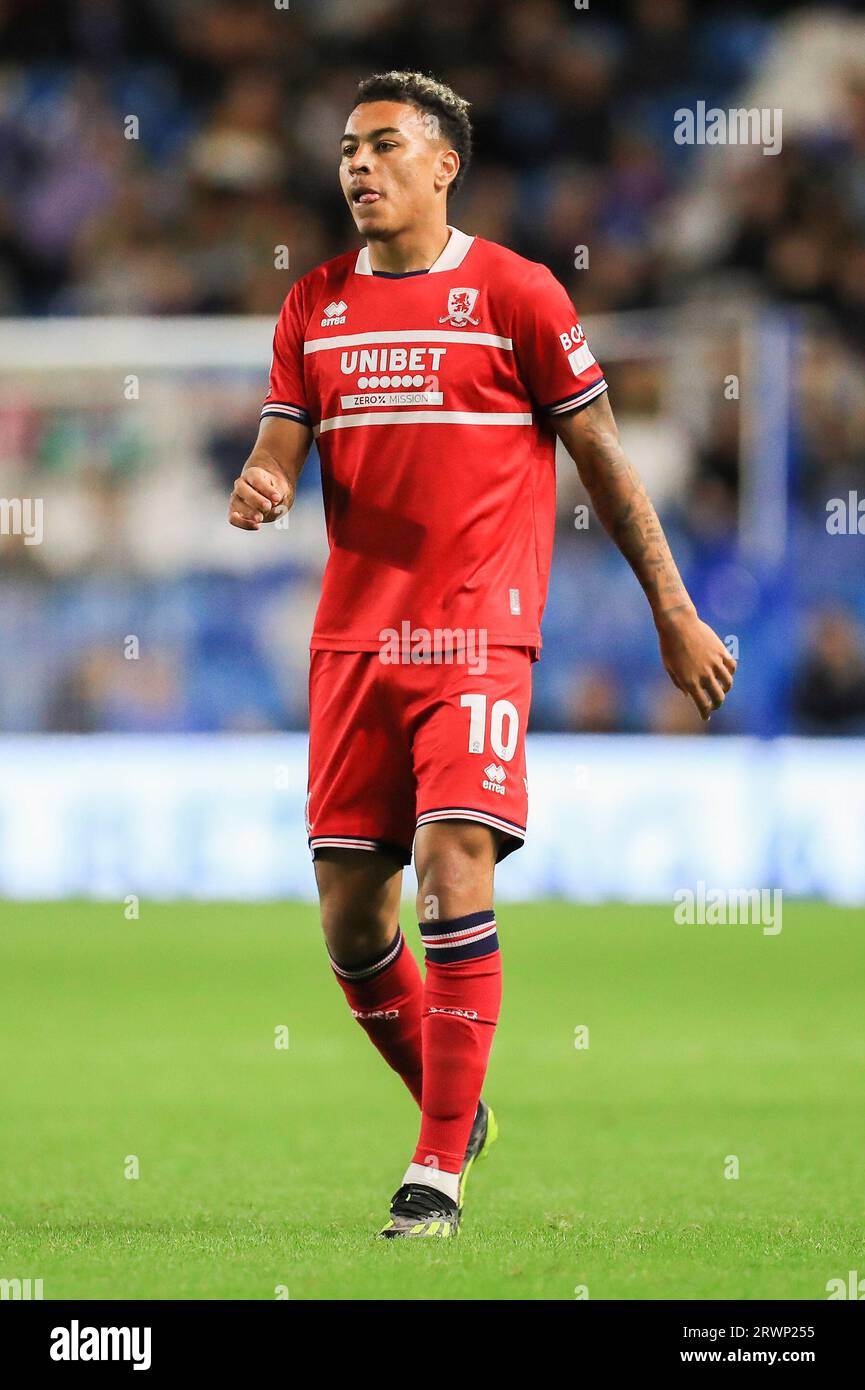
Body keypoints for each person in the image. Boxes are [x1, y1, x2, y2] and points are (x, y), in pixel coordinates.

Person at [228, 71, 736, 1238]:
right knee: (353, 926)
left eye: (383, 145)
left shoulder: (515, 293)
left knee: (456, 859)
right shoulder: (314, 303)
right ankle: (459, 1109)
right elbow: (280, 431)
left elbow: (603, 458)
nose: (357, 165)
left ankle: (435, 1174)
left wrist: (672, 608)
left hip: (475, 633)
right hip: (353, 643)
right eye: (347, 148)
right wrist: (263, 476)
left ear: (443, 161)